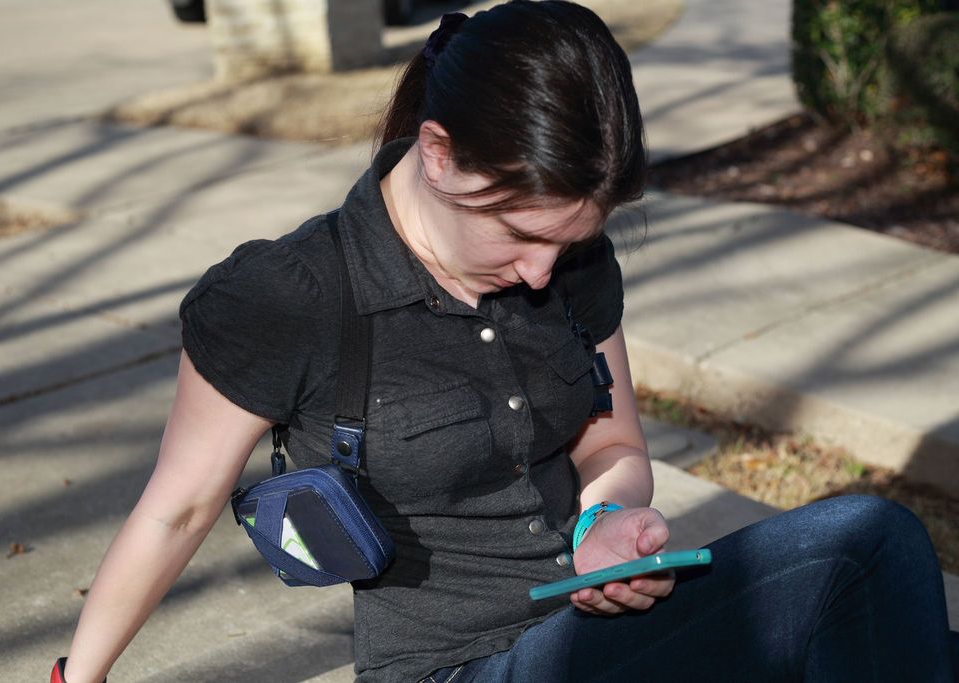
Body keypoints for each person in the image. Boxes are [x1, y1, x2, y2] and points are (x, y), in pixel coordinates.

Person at [55, 2, 958, 681]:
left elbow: (611, 443)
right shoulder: (289, 296)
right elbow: (175, 510)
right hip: (456, 666)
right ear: (439, 154)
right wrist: (76, 676)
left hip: (594, 631)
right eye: (520, 236)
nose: (541, 271)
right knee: (860, 545)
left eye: (564, 242)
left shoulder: (572, 260)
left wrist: (608, 523)